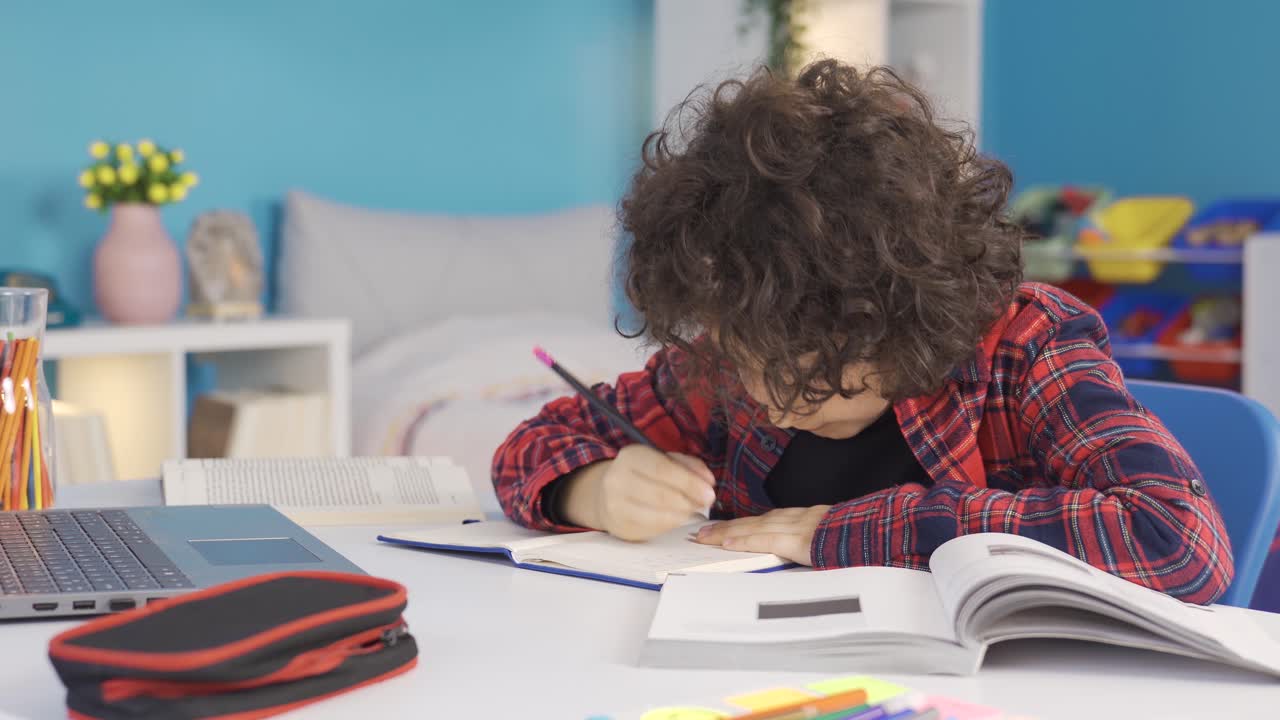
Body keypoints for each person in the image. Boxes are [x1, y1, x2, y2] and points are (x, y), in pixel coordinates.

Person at [491, 59, 1233, 604]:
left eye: (798, 370)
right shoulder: (737, 354)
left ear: (890, 315)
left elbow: (1179, 541)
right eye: (744, 358)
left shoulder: (1026, 344)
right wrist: (588, 490)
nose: (766, 398)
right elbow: (531, 447)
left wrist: (850, 531)